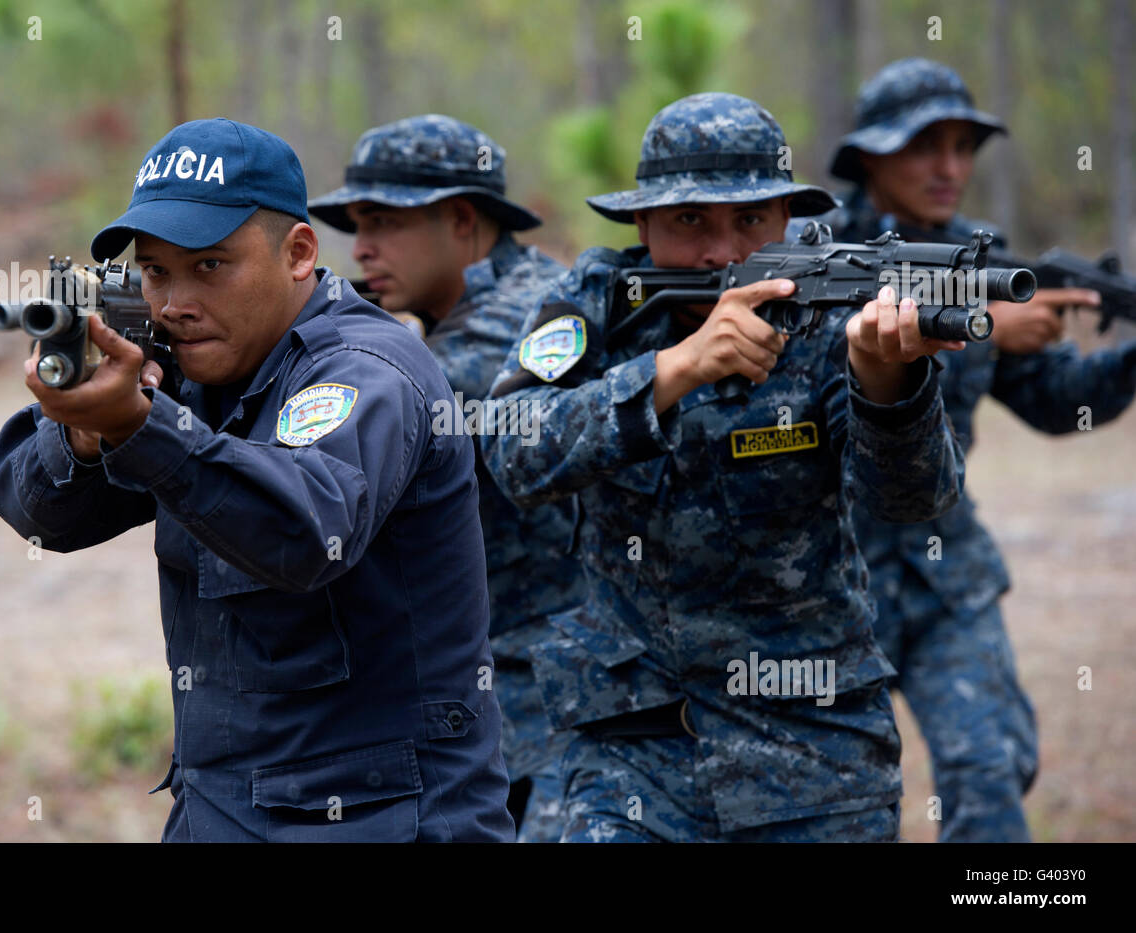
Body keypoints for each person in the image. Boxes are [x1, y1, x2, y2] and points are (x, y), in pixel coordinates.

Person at [0, 117, 514, 842]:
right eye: (156, 271)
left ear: (299, 253)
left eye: (210, 265)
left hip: (386, 817)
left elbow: (304, 534)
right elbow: (40, 514)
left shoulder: (369, 369)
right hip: (220, 808)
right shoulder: (189, 366)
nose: (175, 303)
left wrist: (142, 429)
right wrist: (87, 430)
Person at [482, 92, 970, 843]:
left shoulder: (828, 316)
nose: (721, 253)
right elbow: (512, 451)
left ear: (785, 220)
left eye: (749, 221)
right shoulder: (596, 305)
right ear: (641, 225)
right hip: (632, 751)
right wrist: (670, 372)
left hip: (812, 754)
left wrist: (890, 387)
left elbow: (916, 498)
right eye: (690, 222)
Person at [819, 57, 1136, 843]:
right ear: (868, 156)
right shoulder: (815, 248)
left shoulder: (987, 259)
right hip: (822, 577)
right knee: (830, 804)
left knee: (989, 767)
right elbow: (813, 370)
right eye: (926, 146)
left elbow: (1064, 404)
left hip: (943, 572)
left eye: (964, 146)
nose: (950, 167)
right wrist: (979, 324)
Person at [308, 114, 583, 842]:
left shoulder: (500, 336)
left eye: (385, 222)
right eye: (356, 223)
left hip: (559, 707)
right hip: (525, 698)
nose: (361, 246)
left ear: (462, 220)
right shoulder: (512, 301)